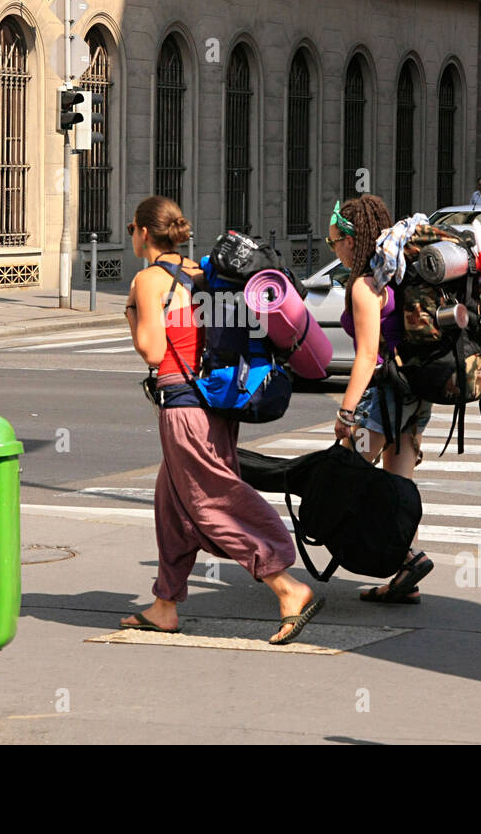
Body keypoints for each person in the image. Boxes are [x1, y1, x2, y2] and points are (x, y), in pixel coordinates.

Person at [121, 195, 324, 645]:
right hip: (217, 402)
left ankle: (287, 587)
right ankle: (165, 604)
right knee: (172, 506)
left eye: (132, 230)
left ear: (141, 231)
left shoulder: (149, 280)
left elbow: (153, 352)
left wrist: (133, 311)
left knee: (211, 503)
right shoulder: (199, 273)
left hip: (183, 406)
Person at [328, 194, 435, 604]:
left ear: (352, 241)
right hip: (413, 391)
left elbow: (367, 356)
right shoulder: (394, 274)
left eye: (334, 239)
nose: (332, 247)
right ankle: (406, 573)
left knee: (347, 476)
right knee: (398, 487)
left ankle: (407, 555)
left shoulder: (364, 286)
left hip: (382, 396)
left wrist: (346, 411)